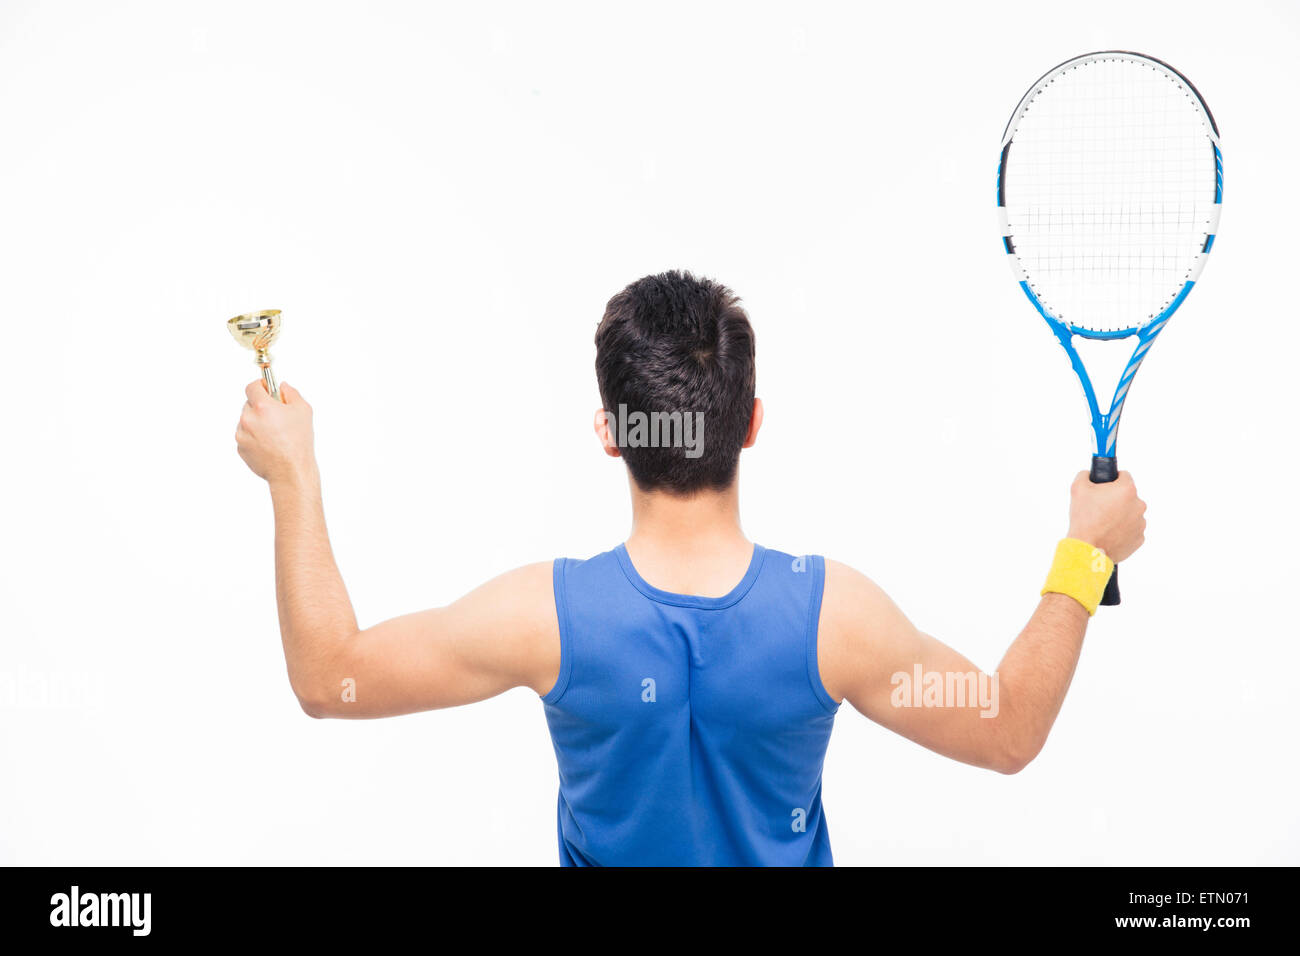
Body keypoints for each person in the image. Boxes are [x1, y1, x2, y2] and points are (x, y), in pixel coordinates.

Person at [233, 270, 1146, 866]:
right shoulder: (835, 617)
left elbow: (329, 678)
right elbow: (1008, 728)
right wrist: (1085, 554)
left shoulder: (544, 618)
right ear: (751, 424)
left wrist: (293, 473)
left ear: (609, 433)